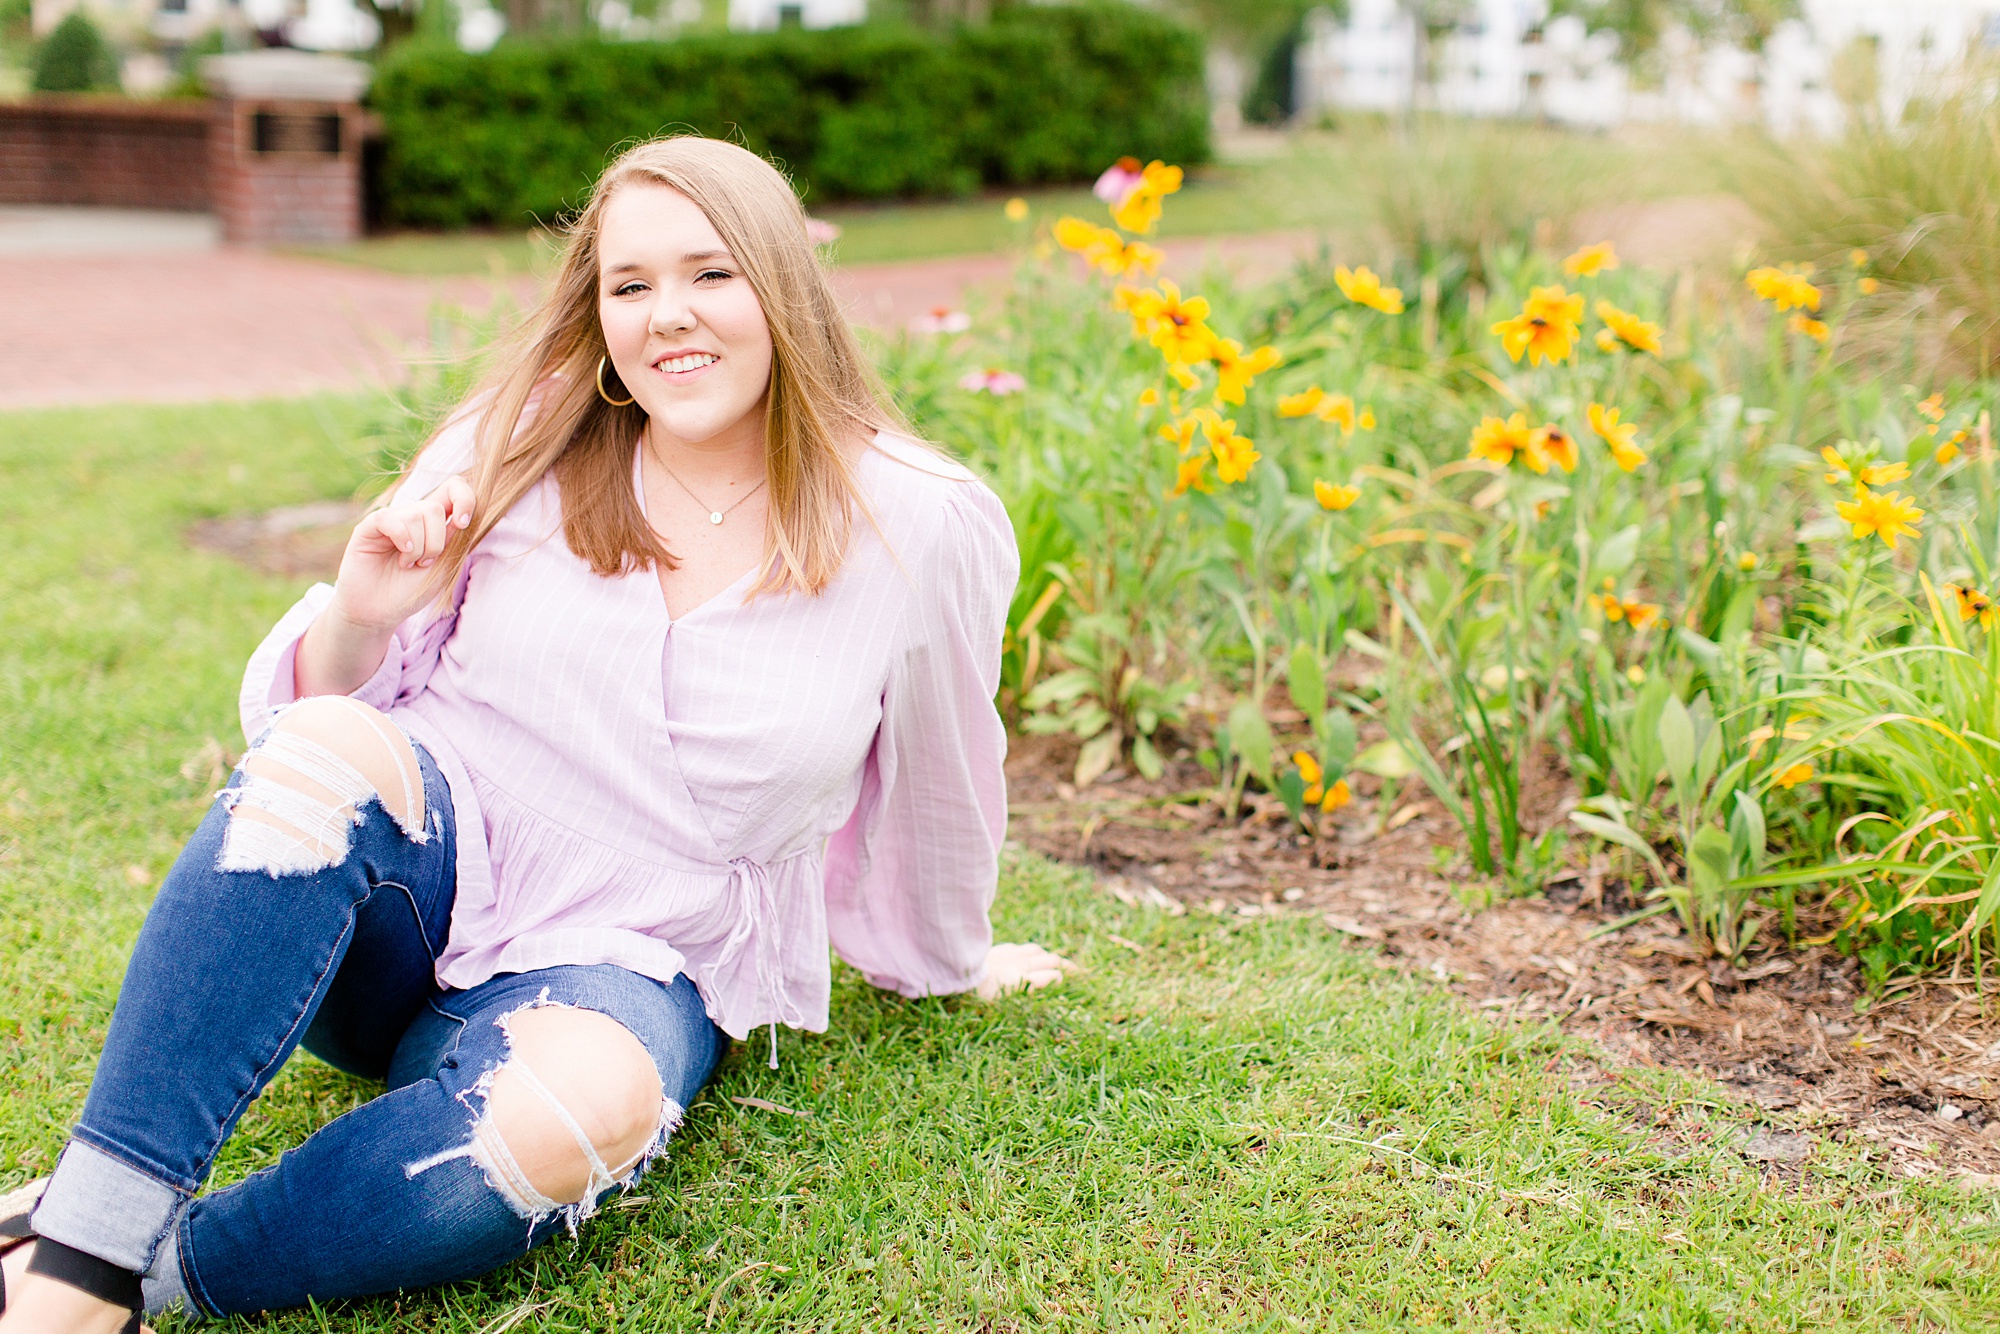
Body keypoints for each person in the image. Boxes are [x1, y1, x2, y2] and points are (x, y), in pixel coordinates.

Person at [0, 135, 1070, 1332]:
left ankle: (127, 1266)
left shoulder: (921, 522)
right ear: (597, 308)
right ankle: (79, 1270)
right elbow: (303, 748)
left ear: (785, 283)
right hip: (400, 909)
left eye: (711, 273)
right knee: (319, 757)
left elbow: (941, 772)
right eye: (630, 285)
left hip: (629, 955)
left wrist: (949, 960)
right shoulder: (522, 441)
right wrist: (363, 610)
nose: (671, 316)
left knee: (573, 1126)